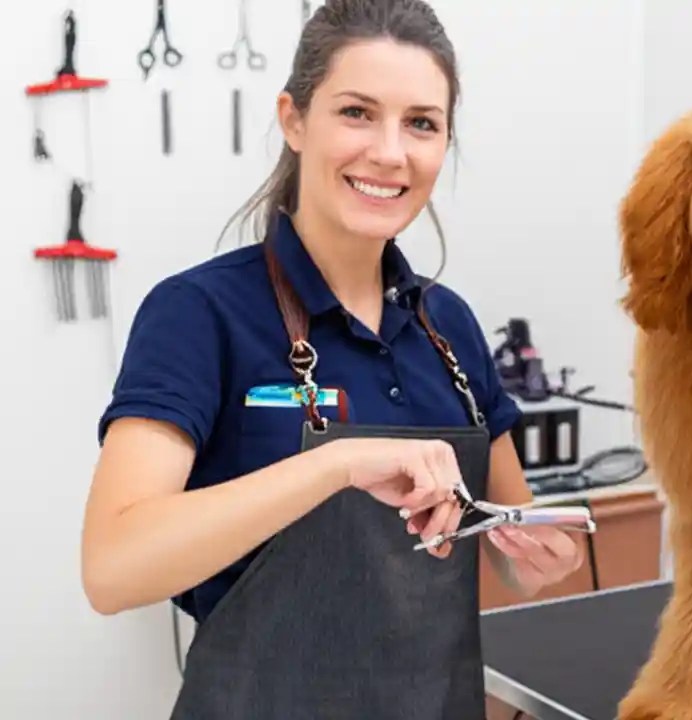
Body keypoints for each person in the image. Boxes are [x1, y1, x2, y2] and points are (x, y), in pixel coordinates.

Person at [79, 1, 583, 717]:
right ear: (294, 120)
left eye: (421, 123)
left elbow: (510, 546)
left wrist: (540, 558)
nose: (389, 151)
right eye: (356, 112)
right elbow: (112, 569)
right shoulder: (200, 314)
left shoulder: (452, 328)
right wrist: (335, 465)